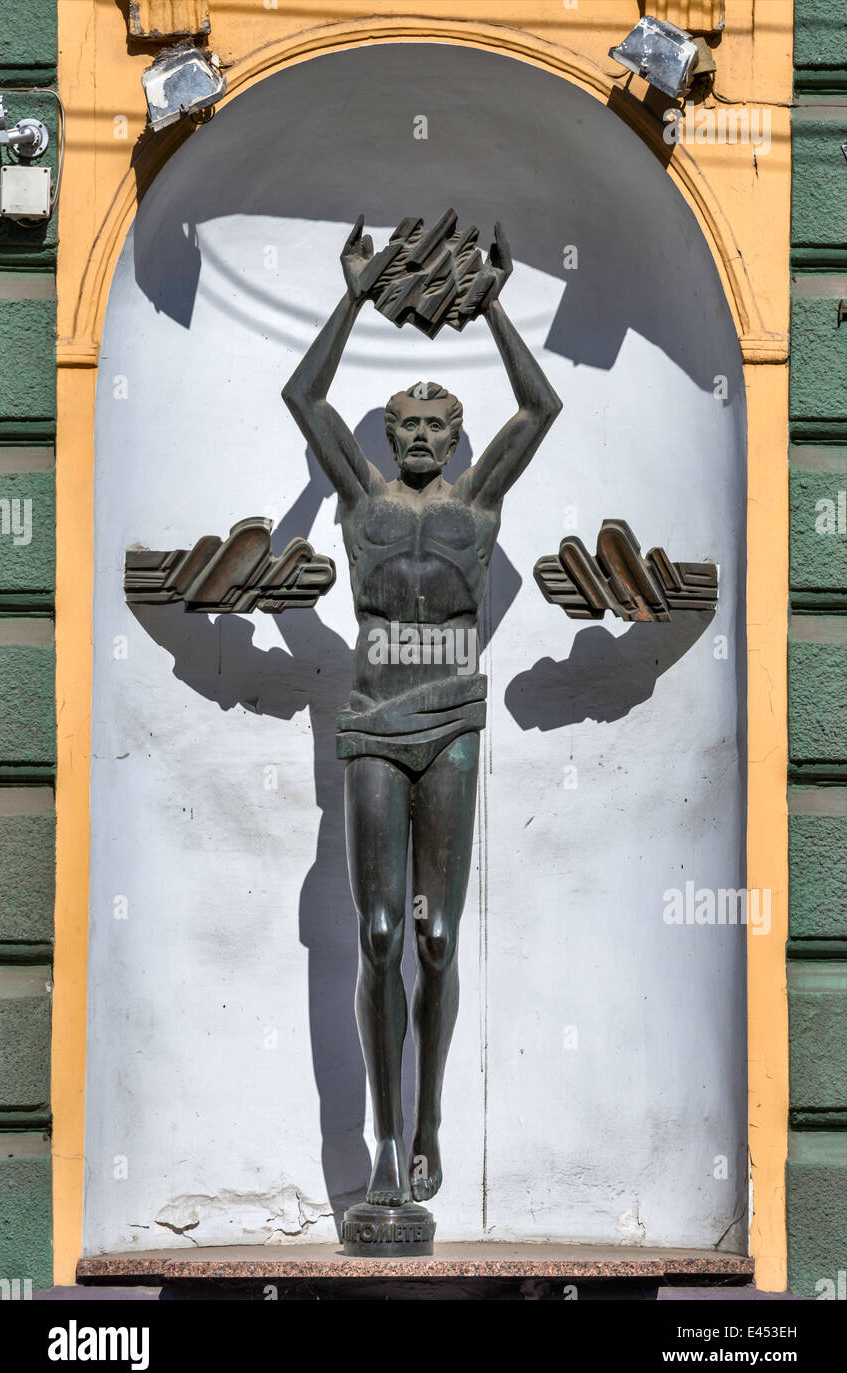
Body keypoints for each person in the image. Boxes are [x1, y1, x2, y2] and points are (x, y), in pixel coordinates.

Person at [282, 218, 561, 1206]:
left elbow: (541, 403)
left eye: (437, 426)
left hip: (450, 719)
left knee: (435, 935)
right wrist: (355, 294)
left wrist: (488, 305)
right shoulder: (359, 500)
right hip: (368, 721)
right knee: (378, 934)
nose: (418, 436)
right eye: (406, 422)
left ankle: (429, 1114)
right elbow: (303, 396)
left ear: (455, 440)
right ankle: (386, 1147)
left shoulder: (478, 504)